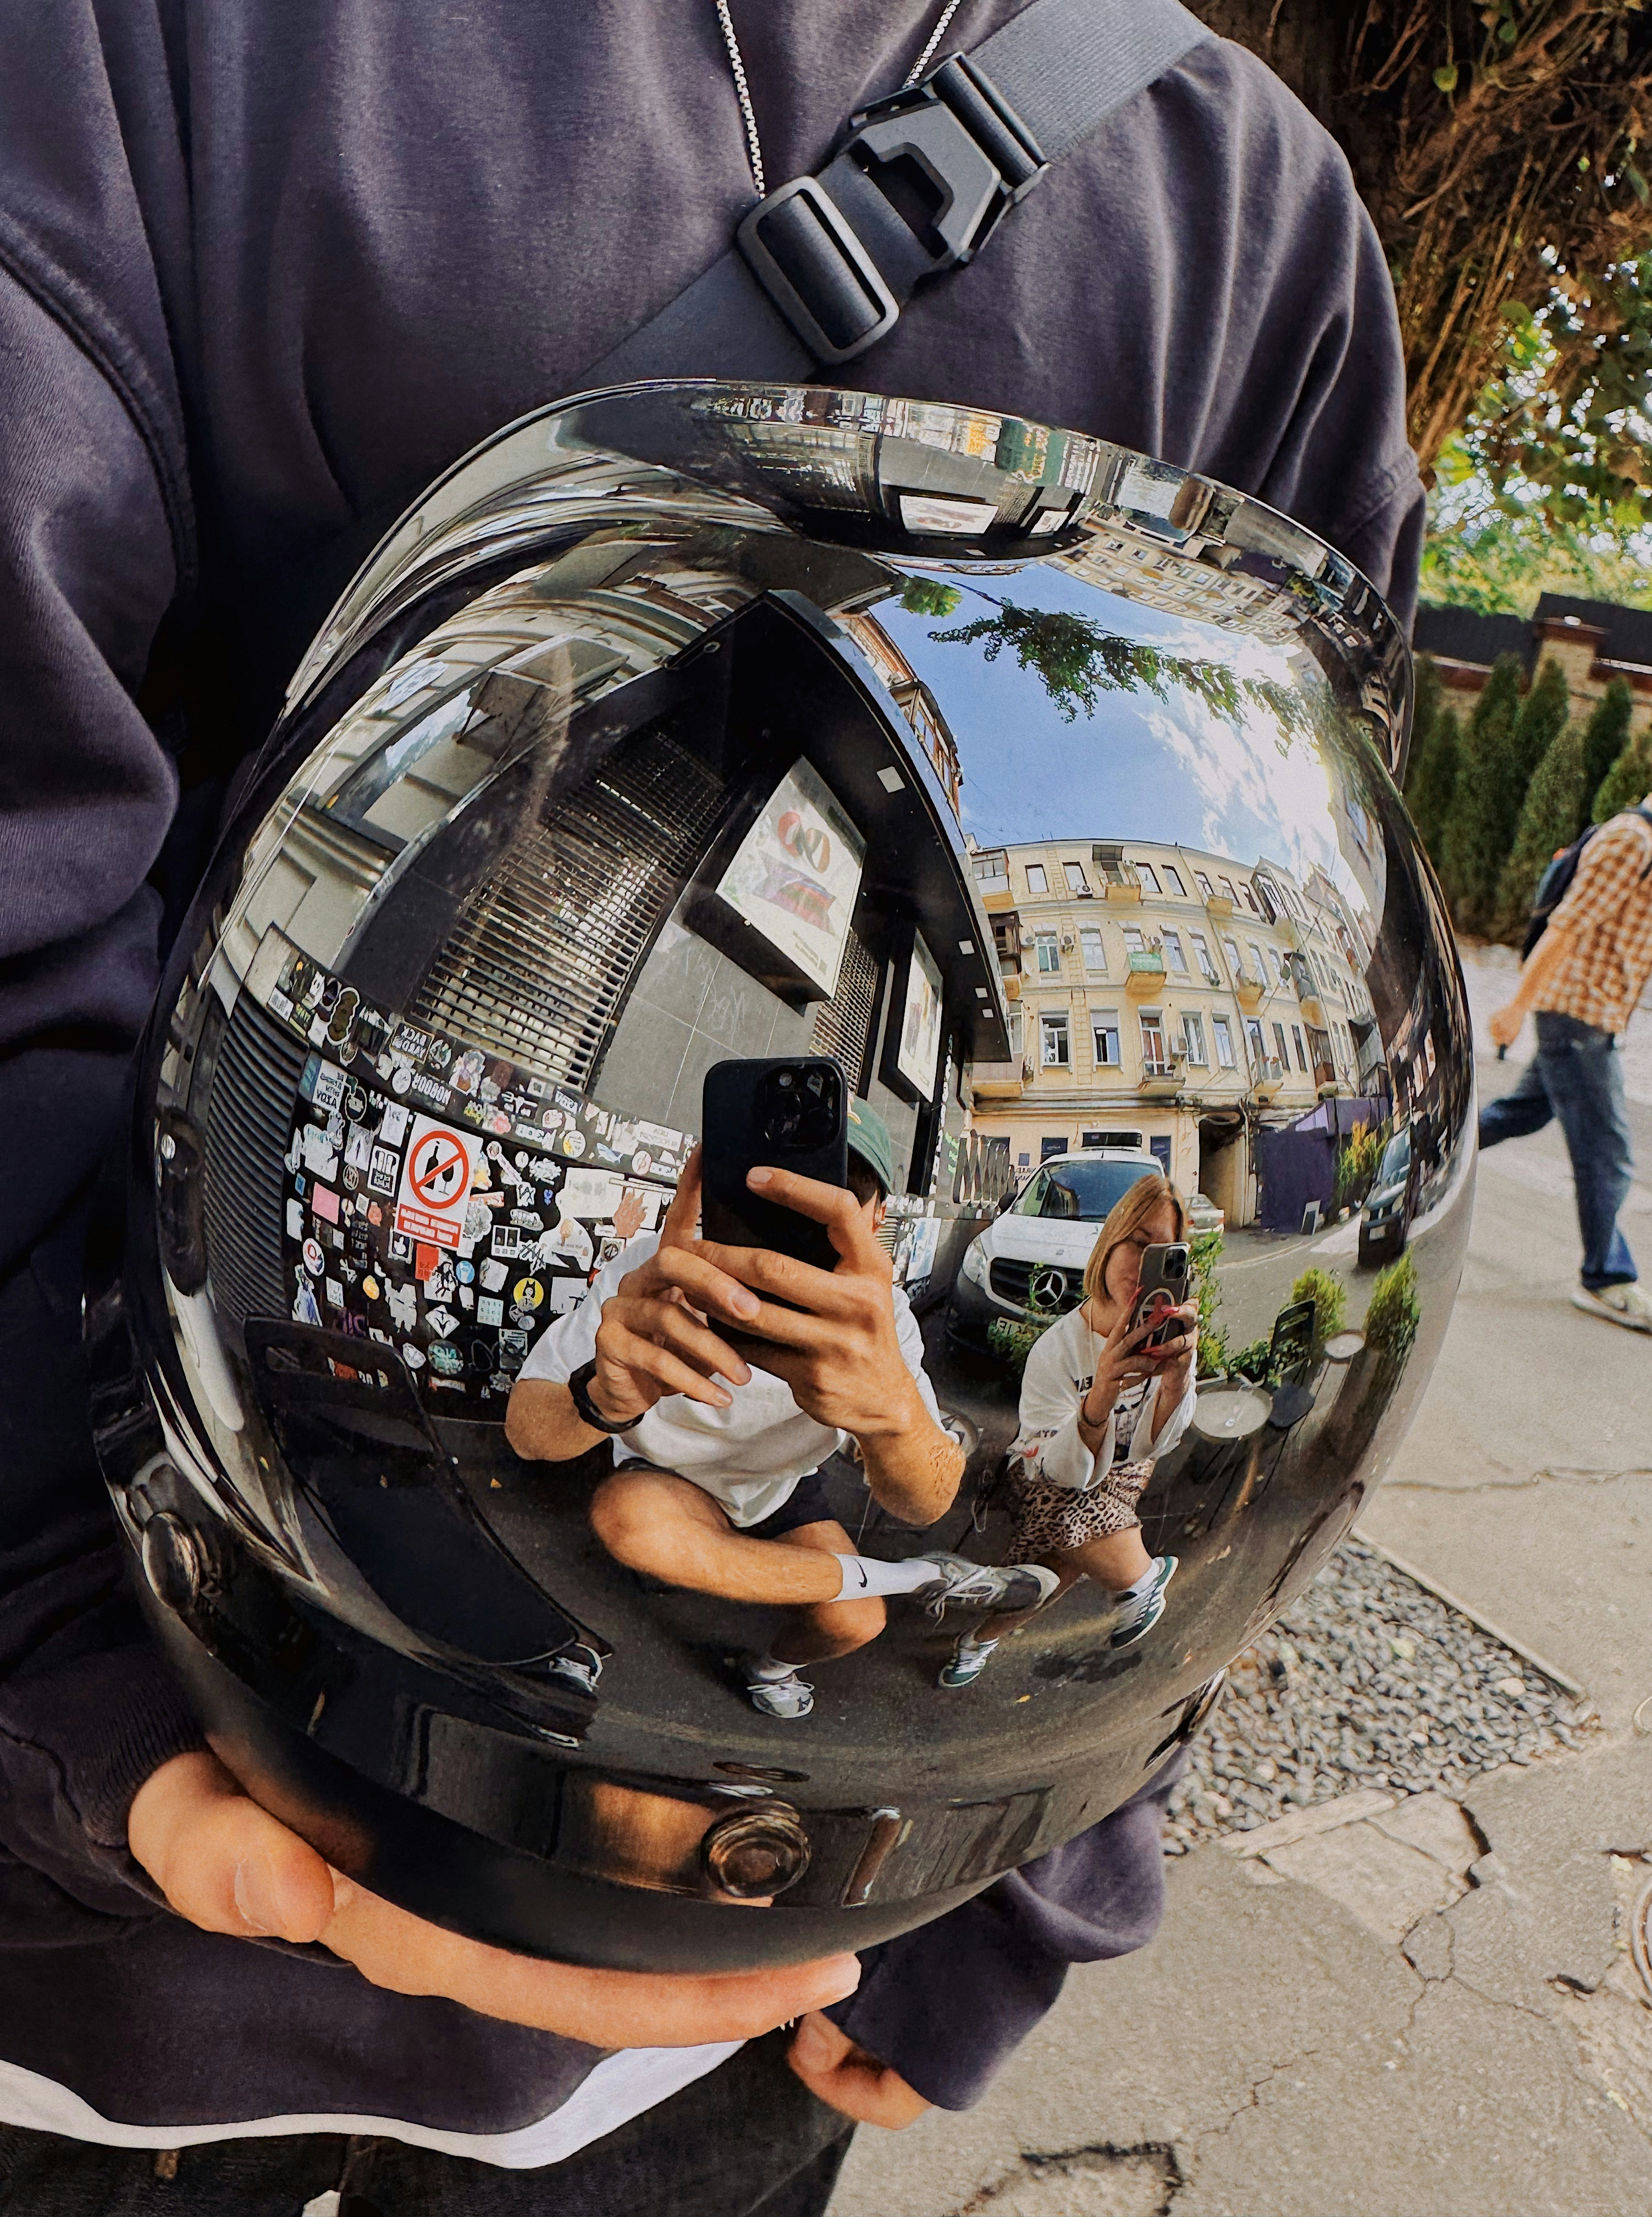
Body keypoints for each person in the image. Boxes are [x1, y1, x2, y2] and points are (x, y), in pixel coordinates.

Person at [0, 4, 1427, 2209]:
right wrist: (90, 1708)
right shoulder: (1240, 201)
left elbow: (1257, 1226)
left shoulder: (1243, 203)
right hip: (167, 1943)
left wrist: (1002, 1805)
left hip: (673, 1972)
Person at [506, 1110, 1057, 1718]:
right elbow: (527, 1430)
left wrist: (896, 1416)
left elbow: (927, 1499)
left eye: (830, 1195)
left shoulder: (880, 1319)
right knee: (633, 1522)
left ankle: (771, 1665)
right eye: (765, 1187)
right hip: (663, 1473)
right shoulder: (659, 1268)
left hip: (777, 1486)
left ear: (874, 1219)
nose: (794, 1216)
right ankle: (906, 1578)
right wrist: (603, 1400)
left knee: (854, 1620)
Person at [940, 1176, 1198, 1689]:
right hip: (1043, 1468)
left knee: (1055, 1561)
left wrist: (1176, 1380)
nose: (1144, 1266)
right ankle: (1140, 1578)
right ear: (1110, 1243)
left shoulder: (1165, 1336)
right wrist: (1101, 1391)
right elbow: (1056, 1469)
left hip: (1124, 1472)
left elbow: (1157, 1445)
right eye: (1138, 1244)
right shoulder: (1058, 1350)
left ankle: (983, 1636)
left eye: (1162, 1254)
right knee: (1067, 1516)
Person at [1484, 736, 1652, 1334]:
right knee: (1610, 1152)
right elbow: (1563, 928)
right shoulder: (1629, 840)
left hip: (1596, 1016)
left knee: (1519, 1114)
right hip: (1576, 1016)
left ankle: (1411, 1170)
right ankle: (1605, 1279)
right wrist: (1515, 1004)